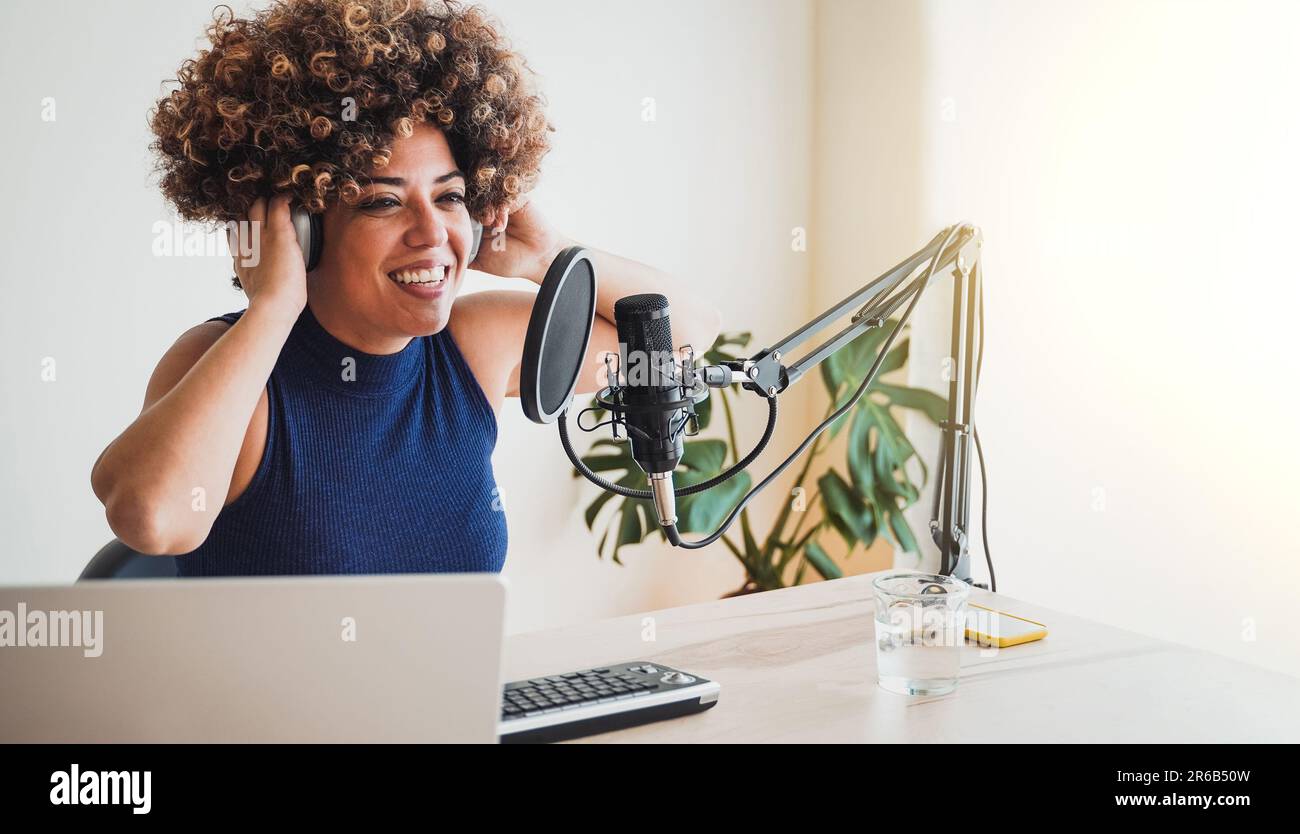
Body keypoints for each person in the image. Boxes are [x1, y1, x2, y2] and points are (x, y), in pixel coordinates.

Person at [90, 0, 721, 575]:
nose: (430, 231)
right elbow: (153, 519)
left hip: (452, 702)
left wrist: (547, 258)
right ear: (306, 229)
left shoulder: (473, 348)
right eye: (382, 202)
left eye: (449, 197)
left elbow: (678, 340)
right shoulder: (234, 366)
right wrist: (273, 307)